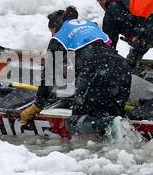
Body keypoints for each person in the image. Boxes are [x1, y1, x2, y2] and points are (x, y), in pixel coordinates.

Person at [18, 8, 132, 137]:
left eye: (51, 33)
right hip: (122, 67)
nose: (52, 37)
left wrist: (37, 106)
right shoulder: (91, 26)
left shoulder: (60, 37)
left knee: (75, 123)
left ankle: (107, 125)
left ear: (55, 28)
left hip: (96, 69)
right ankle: (121, 130)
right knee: (112, 114)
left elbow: (49, 76)